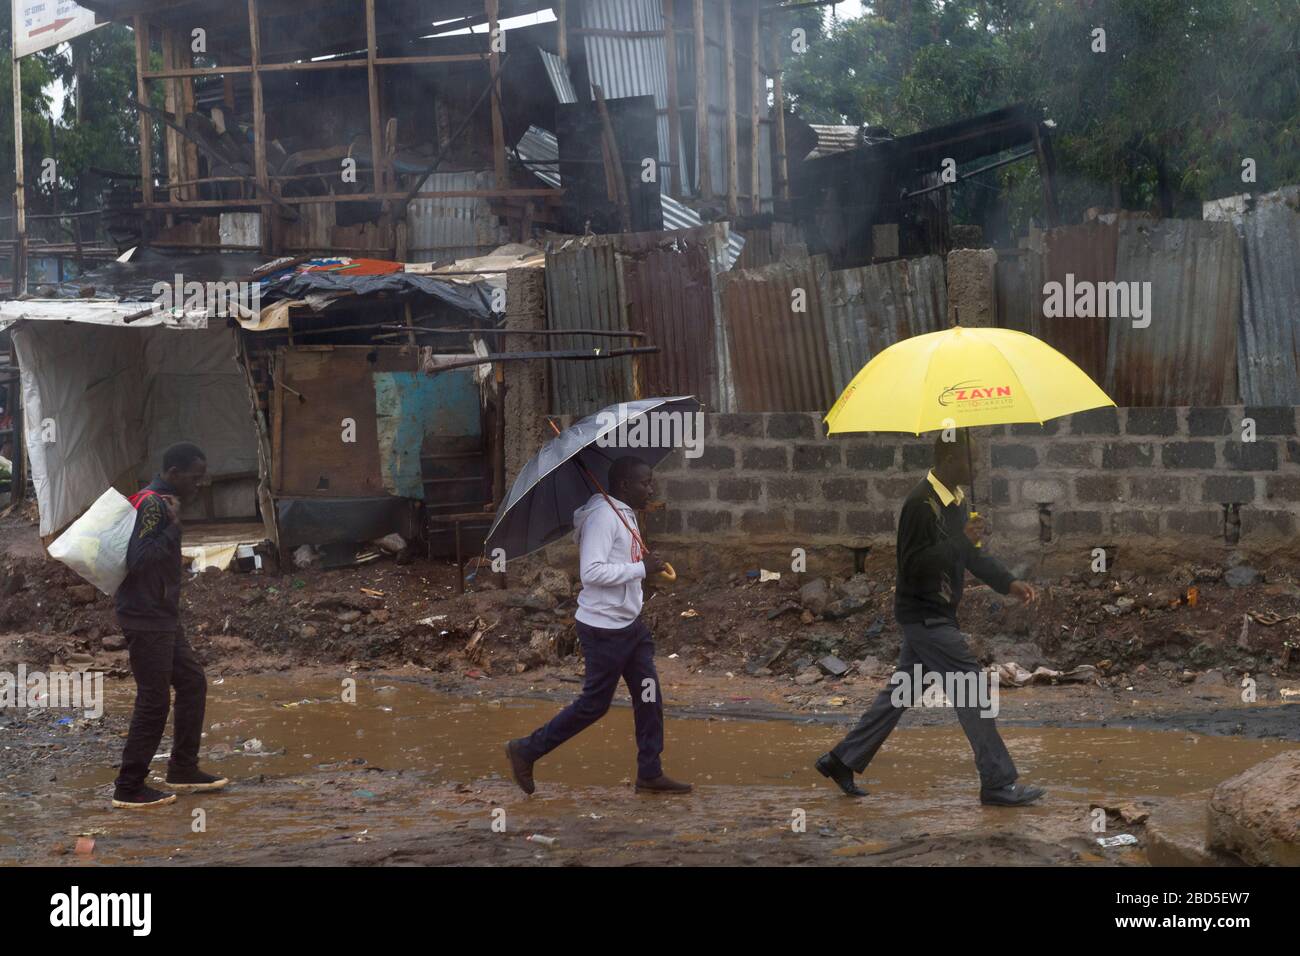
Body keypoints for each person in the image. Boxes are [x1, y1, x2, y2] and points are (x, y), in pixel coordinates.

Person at [815, 431, 1046, 806]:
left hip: (935, 616)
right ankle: (997, 782)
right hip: (924, 617)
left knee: (900, 694)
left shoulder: (956, 501)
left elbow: (969, 557)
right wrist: (958, 540)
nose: (977, 466)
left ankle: (841, 760)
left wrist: (1008, 582)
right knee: (972, 690)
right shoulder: (920, 505)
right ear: (951, 459)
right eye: (971, 459)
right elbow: (913, 565)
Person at [506, 456, 691, 795]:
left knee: (649, 697)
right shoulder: (603, 518)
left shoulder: (624, 513)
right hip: (604, 630)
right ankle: (526, 749)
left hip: (630, 627)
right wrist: (640, 569)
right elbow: (591, 573)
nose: (651, 488)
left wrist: (642, 563)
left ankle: (650, 772)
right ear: (623, 485)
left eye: (650, 481)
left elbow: (622, 561)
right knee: (594, 705)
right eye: (644, 482)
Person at [112, 442, 228, 809]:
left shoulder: (159, 503)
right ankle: (128, 787)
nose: (200, 484)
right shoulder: (153, 505)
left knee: (192, 681)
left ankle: (183, 768)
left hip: (161, 615)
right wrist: (173, 528)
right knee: (154, 700)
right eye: (194, 477)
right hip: (145, 617)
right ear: (174, 473)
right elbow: (140, 558)